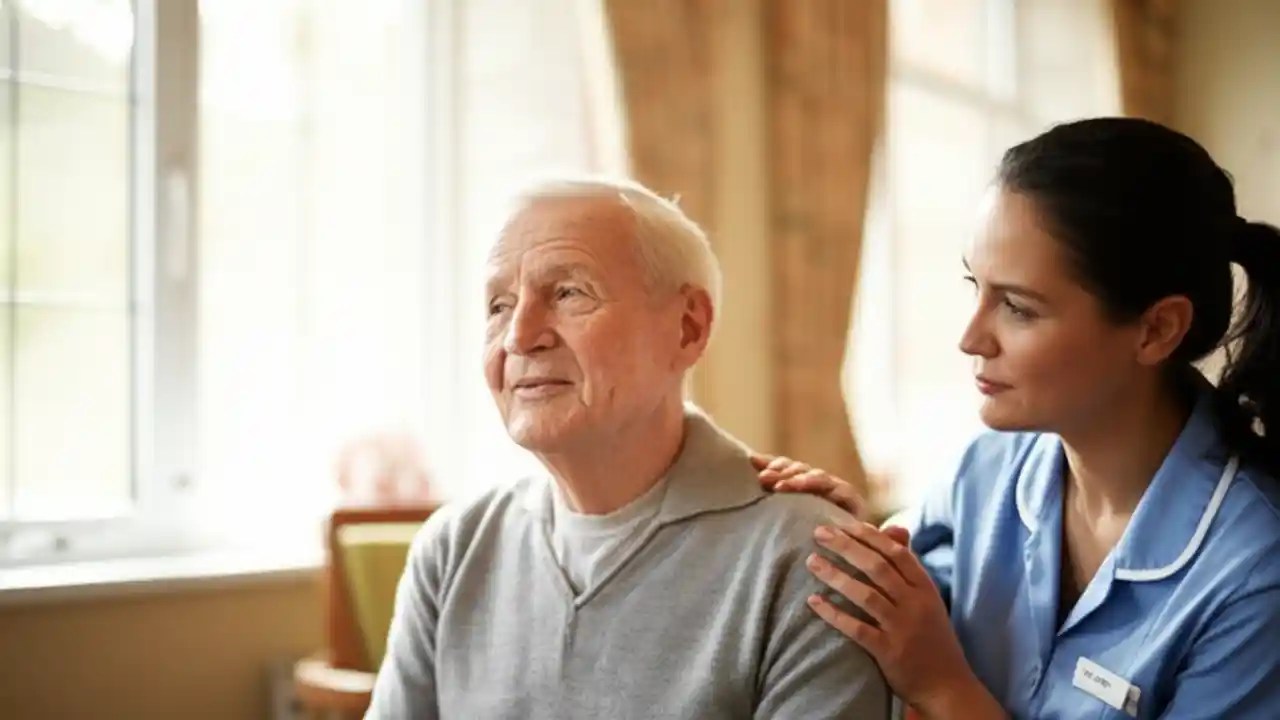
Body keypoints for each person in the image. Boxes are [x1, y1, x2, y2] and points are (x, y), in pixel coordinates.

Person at [758, 117, 1280, 719]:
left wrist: (944, 686)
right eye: (973, 287)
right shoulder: (985, 472)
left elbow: (929, 667)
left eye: (1018, 307)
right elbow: (912, 593)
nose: (971, 337)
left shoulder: (1255, 573)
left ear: (1156, 329)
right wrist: (848, 540)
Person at [365, 177, 889, 719]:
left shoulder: (814, 560)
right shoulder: (454, 549)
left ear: (688, 328)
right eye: (498, 305)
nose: (520, 336)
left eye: (568, 293)